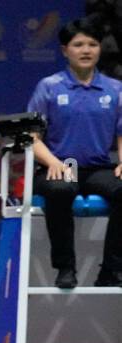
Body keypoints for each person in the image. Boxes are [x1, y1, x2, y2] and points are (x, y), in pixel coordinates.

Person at [28, 17, 122, 288]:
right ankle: (65, 267)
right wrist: (53, 162)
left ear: (99, 50)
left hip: (97, 169)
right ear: (64, 50)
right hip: (56, 166)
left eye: (92, 44)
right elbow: (31, 137)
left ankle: (111, 270)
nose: (86, 50)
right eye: (78, 44)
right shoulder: (49, 86)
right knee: (60, 190)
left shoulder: (115, 90)